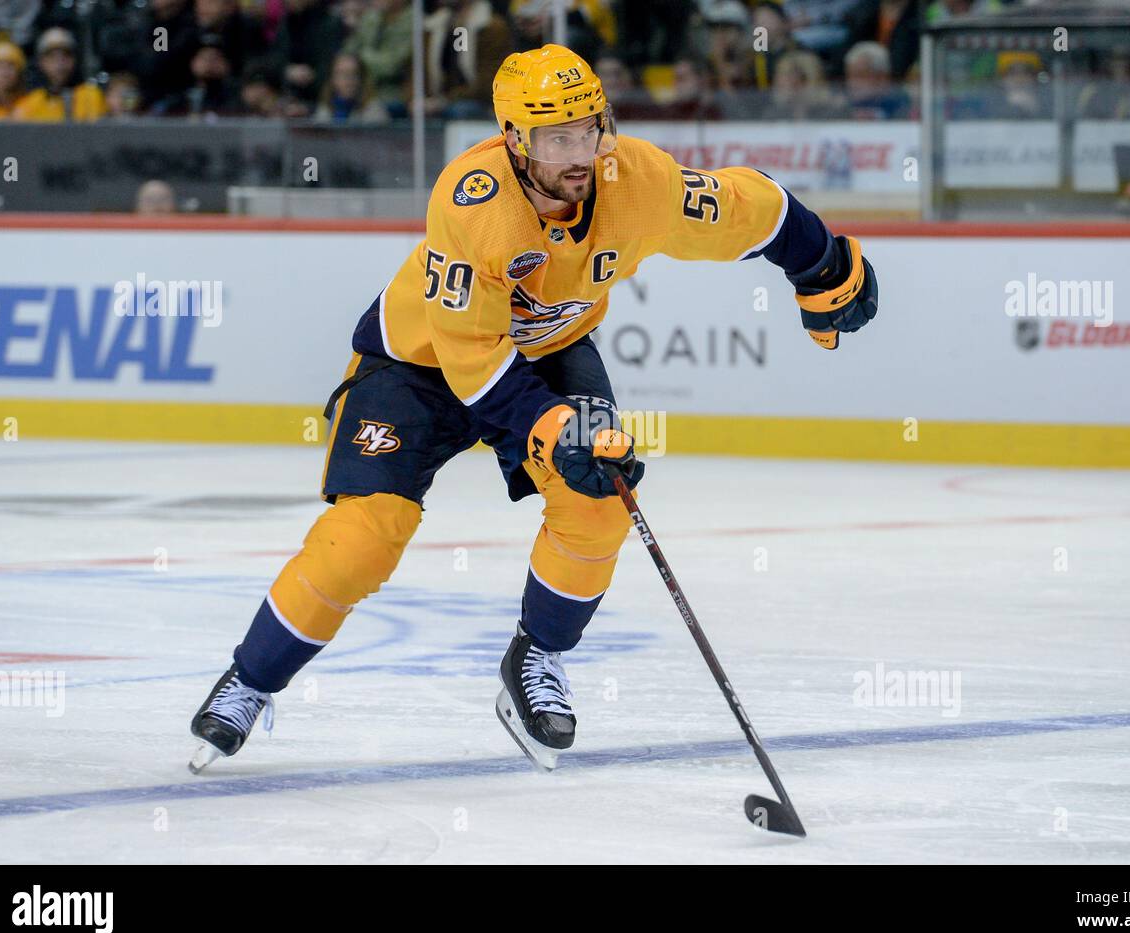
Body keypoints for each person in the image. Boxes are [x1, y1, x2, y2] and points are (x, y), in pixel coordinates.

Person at [188, 44, 878, 774]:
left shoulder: (634, 177)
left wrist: (824, 267)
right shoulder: (474, 201)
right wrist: (553, 426)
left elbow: (754, 208)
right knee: (364, 535)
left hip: (551, 350)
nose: (581, 153)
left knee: (602, 490)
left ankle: (537, 656)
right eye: (557, 138)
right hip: (422, 363)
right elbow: (474, 361)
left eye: (591, 129)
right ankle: (252, 678)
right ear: (516, 139)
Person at [13, 27, 107, 121]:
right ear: (41, 62)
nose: (59, 63)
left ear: (75, 60)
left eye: (66, 55)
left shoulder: (91, 96)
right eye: (52, 56)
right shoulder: (30, 103)